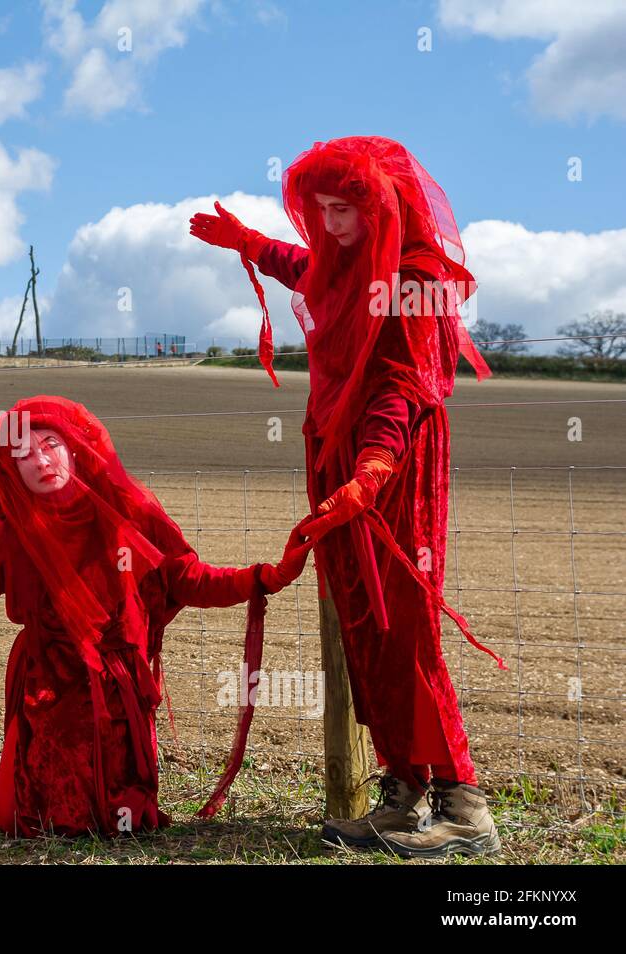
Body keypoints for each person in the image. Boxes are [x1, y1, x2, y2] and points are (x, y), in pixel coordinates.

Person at [189, 136, 504, 857]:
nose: (331, 225)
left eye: (346, 210)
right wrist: (249, 243)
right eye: (321, 209)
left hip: (390, 469)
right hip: (342, 459)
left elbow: (404, 384)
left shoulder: (418, 275)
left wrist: (372, 471)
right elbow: (310, 271)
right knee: (366, 629)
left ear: (383, 205)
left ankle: (465, 804)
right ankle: (405, 794)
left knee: (407, 630)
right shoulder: (346, 258)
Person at [0, 396, 308, 837]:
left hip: (119, 698)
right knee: (42, 820)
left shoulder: (129, 512)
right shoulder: (6, 538)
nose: (39, 459)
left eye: (49, 445)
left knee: (122, 822)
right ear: (10, 472)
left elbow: (186, 578)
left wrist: (263, 577)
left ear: (75, 449)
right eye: (23, 454)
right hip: (49, 695)